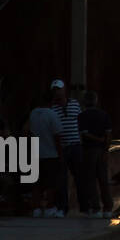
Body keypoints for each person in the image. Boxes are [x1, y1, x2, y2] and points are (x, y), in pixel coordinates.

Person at [25, 94, 64, 217]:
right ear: (51, 101)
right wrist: (60, 153)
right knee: (51, 183)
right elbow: (57, 136)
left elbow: (27, 131)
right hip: (50, 154)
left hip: (35, 153)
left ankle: (36, 208)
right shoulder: (53, 115)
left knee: (36, 183)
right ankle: (49, 207)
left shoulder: (33, 114)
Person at [49, 80, 84, 216]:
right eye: (55, 90)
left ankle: (85, 207)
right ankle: (62, 207)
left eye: (59, 89)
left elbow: (80, 121)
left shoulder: (75, 104)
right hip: (61, 147)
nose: (57, 92)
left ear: (64, 90)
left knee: (80, 177)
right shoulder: (52, 108)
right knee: (61, 179)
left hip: (75, 145)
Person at [77, 90, 113, 219]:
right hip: (102, 150)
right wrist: (106, 148)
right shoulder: (104, 115)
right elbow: (108, 134)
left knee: (91, 180)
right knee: (103, 180)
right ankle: (108, 208)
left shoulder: (82, 116)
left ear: (85, 102)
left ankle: (96, 208)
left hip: (89, 150)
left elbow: (84, 134)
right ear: (96, 101)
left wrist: (98, 140)